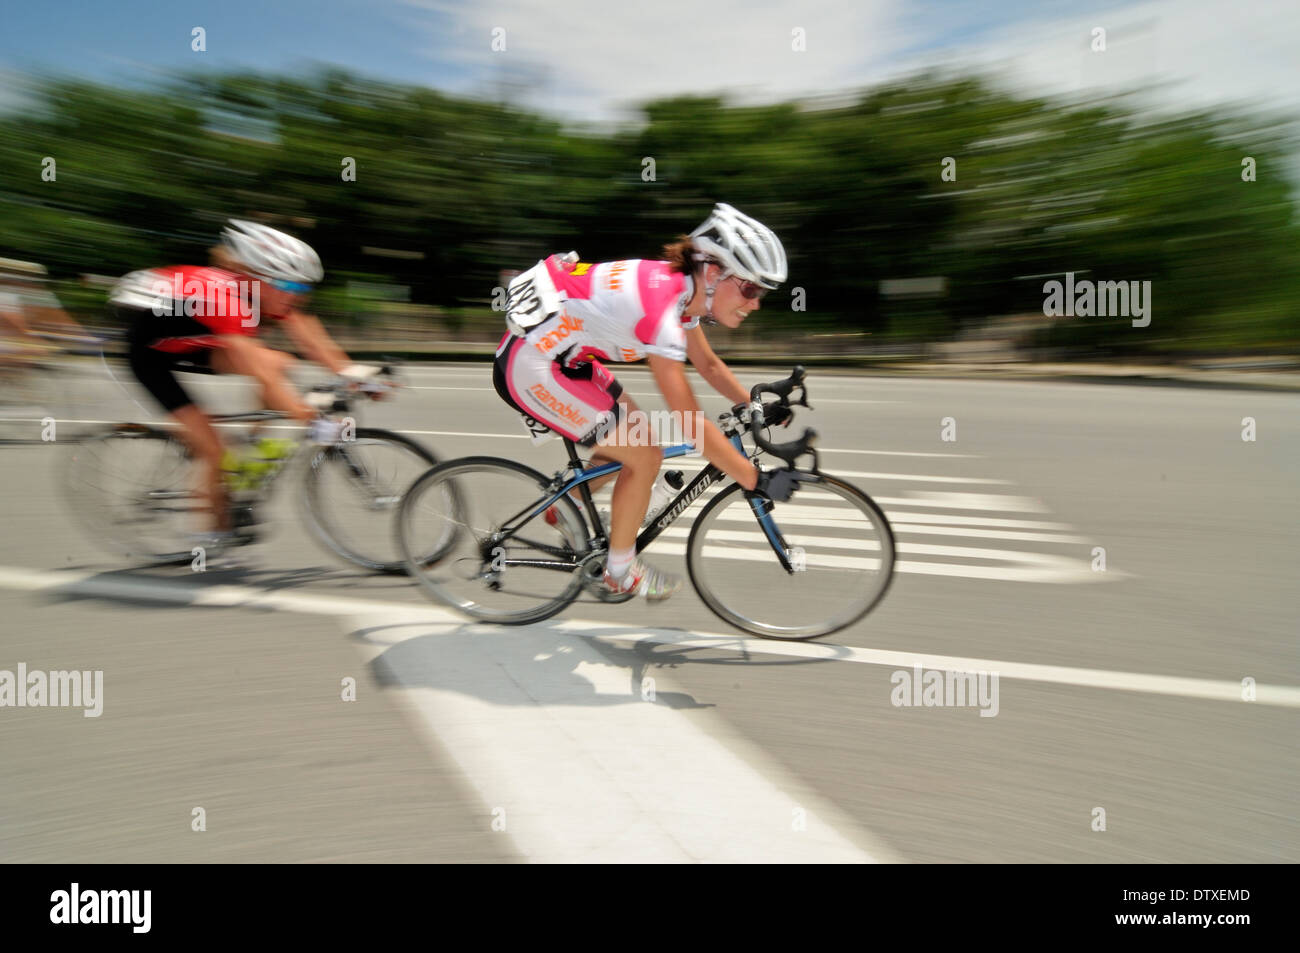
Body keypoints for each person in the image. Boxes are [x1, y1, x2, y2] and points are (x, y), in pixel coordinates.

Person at [492, 202, 797, 601]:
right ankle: (619, 571)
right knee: (644, 454)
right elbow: (690, 423)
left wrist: (753, 403)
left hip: (564, 358)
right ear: (713, 272)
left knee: (635, 436)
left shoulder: (683, 292)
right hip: (532, 367)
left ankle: (566, 506)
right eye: (751, 289)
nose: (756, 303)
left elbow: (707, 364)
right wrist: (754, 479)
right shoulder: (663, 311)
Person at [110, 219, 383, 546]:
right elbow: (259, 372)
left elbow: (311, 340)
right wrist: (312, 421)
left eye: (304, 288)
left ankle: (250, 453)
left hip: (193, 339)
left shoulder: (264, 291)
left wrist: (356, 376)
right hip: (148, 353)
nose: (299, 296)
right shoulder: (227, 302)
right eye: (292, 287)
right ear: (259, 278)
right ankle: (210, 534)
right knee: (214, 447)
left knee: (281, 362)